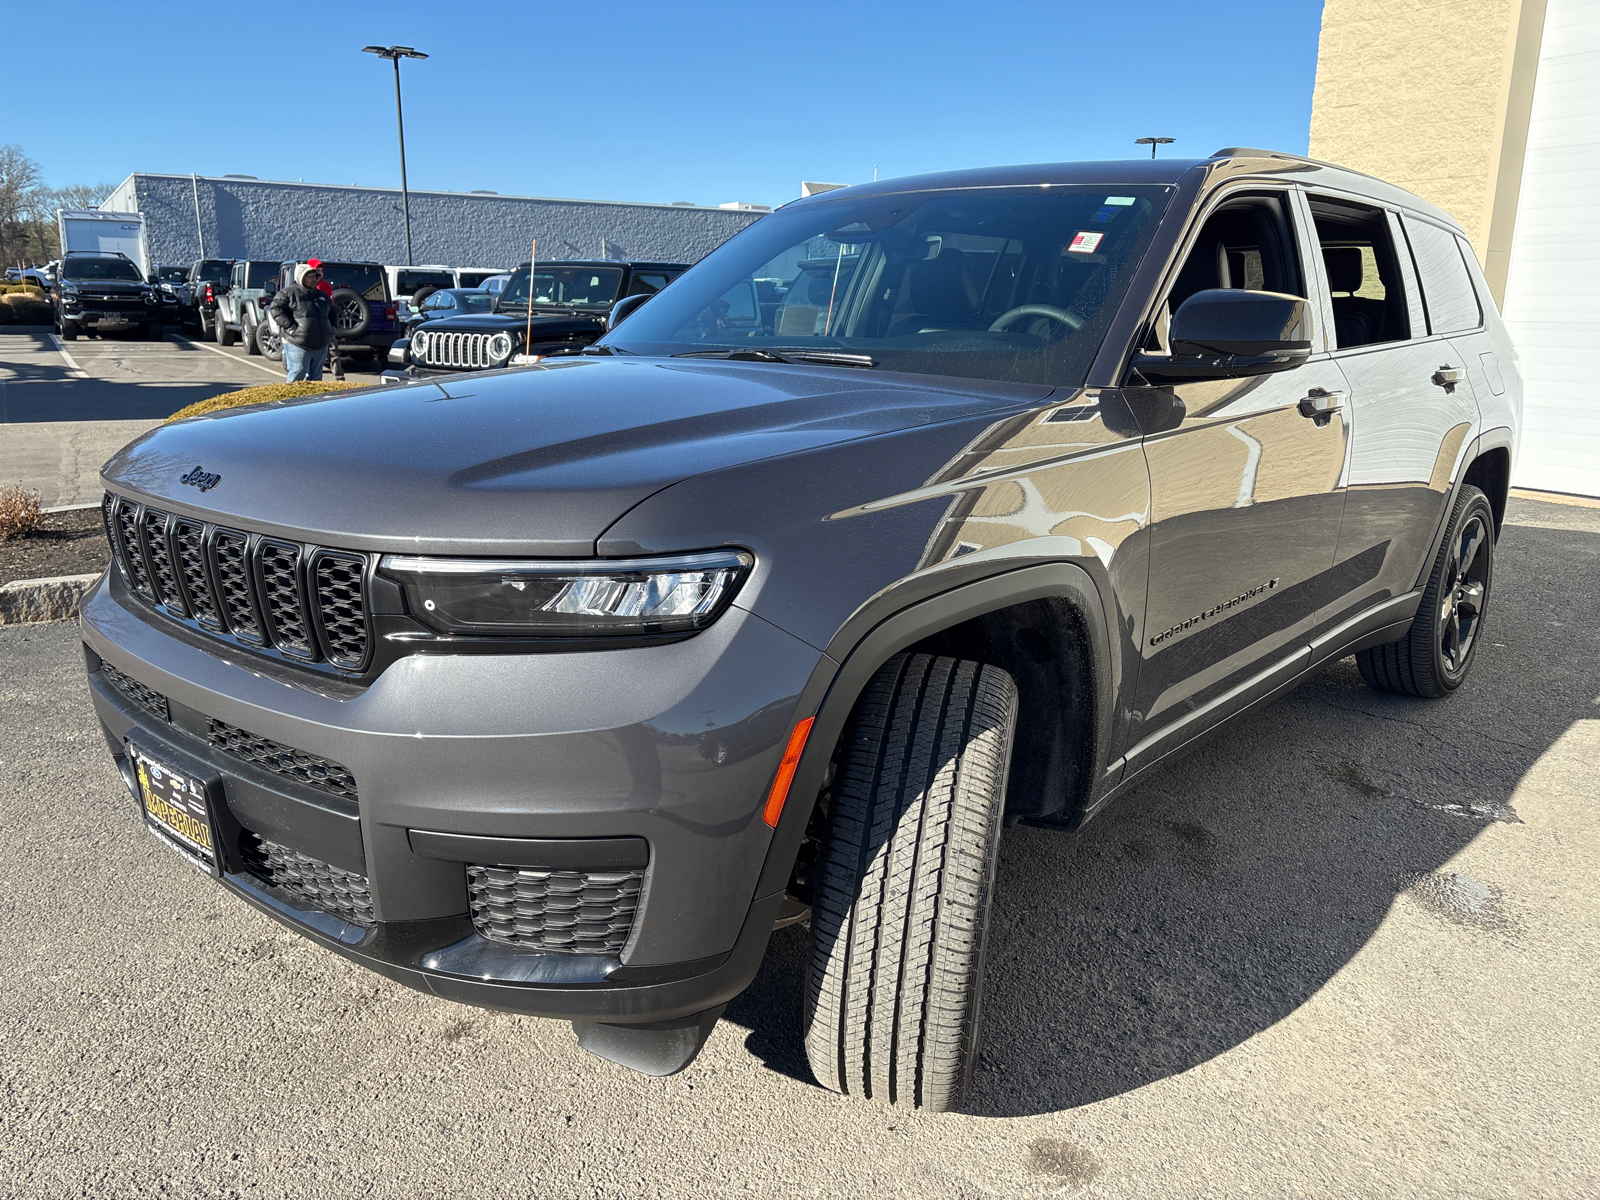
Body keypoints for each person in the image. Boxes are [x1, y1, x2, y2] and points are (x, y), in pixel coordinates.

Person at [269, 263, 335, 382]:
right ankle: (292, 400)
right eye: (310, 277)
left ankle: (313, 401)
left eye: (316, 277)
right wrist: (291, 327)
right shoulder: (288, 293)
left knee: (316, 379)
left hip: (321, 344)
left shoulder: (323, 296)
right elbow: (275, 309)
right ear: (301, 277)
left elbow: (334, 312)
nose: (314, 280)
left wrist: (332, 329)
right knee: (298, 373)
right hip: (297, 343)